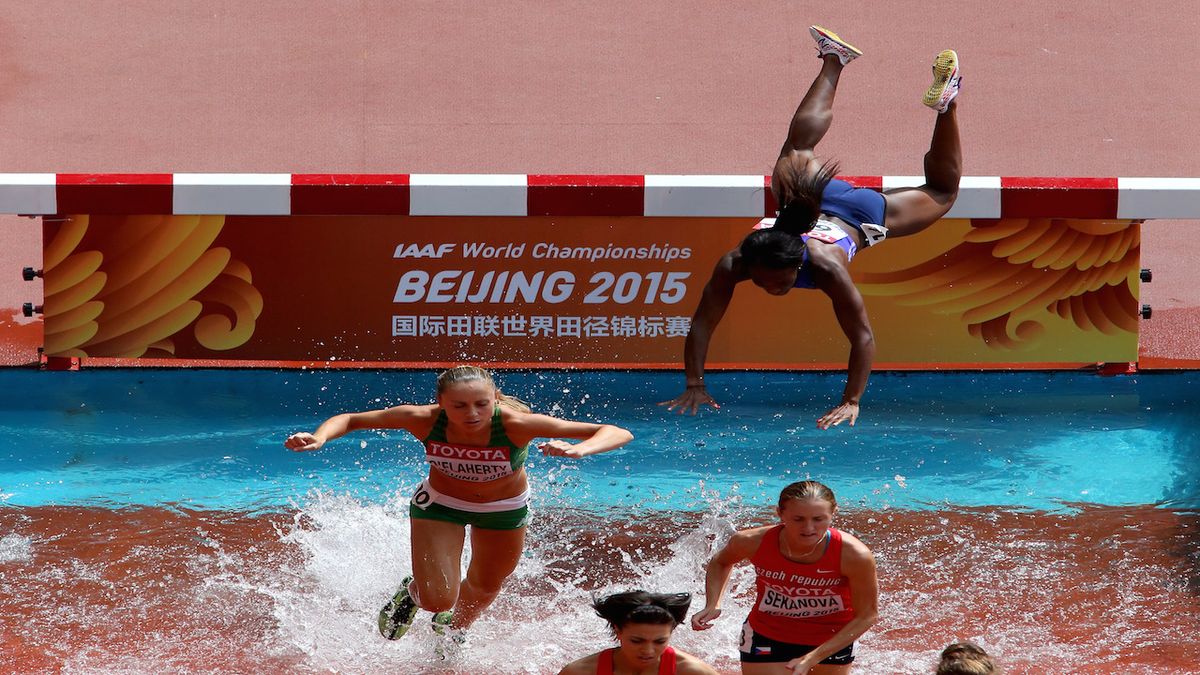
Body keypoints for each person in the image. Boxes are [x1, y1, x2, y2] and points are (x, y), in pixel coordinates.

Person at [661, 25, 962, 429]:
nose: (770, 288)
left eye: (777, 281)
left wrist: (851, 401)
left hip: (862, 215)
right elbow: (702, 322)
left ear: (797, 262)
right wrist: (694, 384)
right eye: (762, 282)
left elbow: (862, 336)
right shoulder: (739, 261)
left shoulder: (825, 267)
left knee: (943, 192)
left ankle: (947, 105)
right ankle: (834, 58)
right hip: (811, 196)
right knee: (796, 149)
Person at [284, 365, 634, 645]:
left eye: (481, 404)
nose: (472, 413)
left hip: (503, 509)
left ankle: (454, 632)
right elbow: (351, 419)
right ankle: (412, 593)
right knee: (438, 599)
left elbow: (616, 431)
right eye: (459, 406)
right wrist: (319, 437)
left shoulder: (516, 424)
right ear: (440, 403)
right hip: (440, 505)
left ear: (495, 399)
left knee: (484, 588)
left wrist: (579, 449)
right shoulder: (422, 419)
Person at [691, 480, 878, 674]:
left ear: (833, 513)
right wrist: (713, 603)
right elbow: (720, 562)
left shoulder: (854, 555)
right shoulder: (752, 541)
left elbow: (867, 615)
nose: (809, 528)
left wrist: (812, 657)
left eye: (818, 519)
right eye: (798, 519)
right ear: (780, 513)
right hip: (766, 633)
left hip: (831, 640)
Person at [559, 591, 719, 675]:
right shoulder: (580, 672)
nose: (648, 651)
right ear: (617, 630)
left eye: (660, 641)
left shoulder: (694, 672)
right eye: (637, 641)